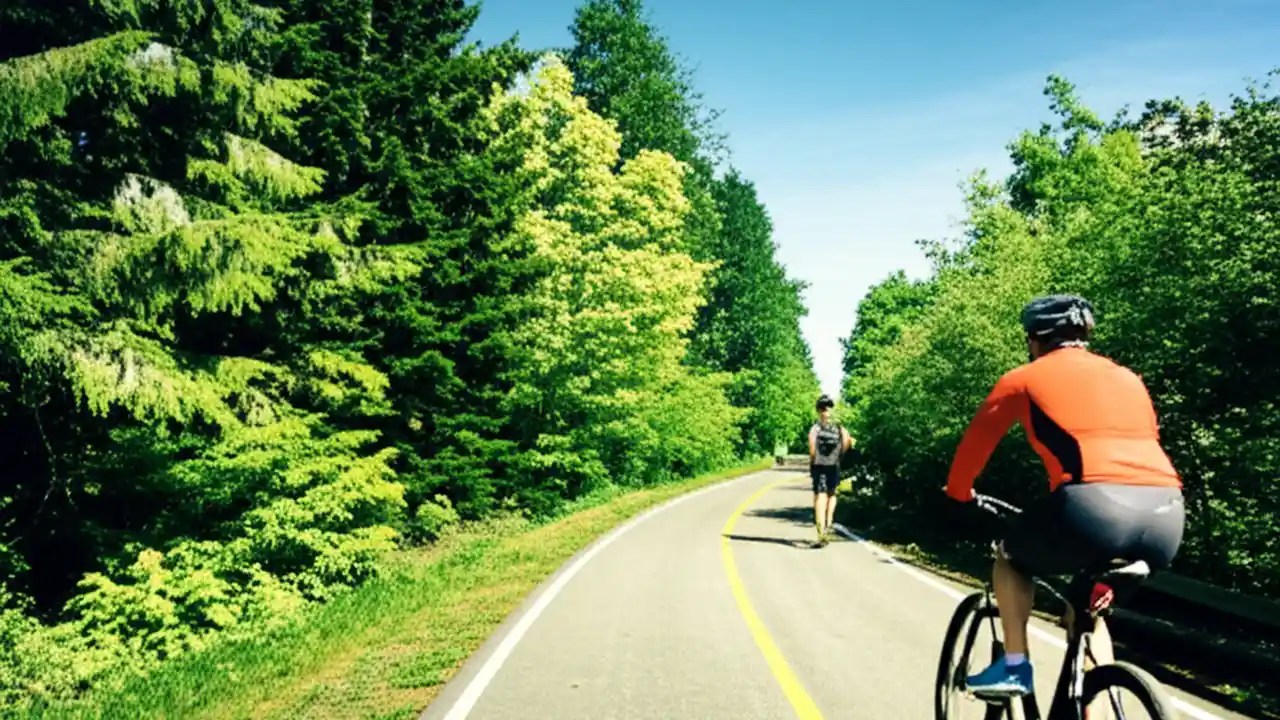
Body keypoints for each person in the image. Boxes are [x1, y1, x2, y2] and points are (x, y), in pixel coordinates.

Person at [943, 294, 1185, 698]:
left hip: (1094, 510)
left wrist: (958, 493)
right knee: (1089, 614)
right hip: (1167, 514)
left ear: (1035, 339)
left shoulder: (1022, 379)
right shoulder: (1128, 378)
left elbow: (974, 449)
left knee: (1010, 556)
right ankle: (1100, 703)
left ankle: (1015, 668)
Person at [808, 394, 853, 546]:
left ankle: (821, 532)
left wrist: (813, 460)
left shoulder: (816, 427)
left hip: (819, 465)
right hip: (834, 465)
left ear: (818, 410)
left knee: (820, 496)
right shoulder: (839, 427)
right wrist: (840, 455)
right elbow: (847, 441)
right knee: (831, 494)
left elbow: (812, 447)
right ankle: (828, 523)